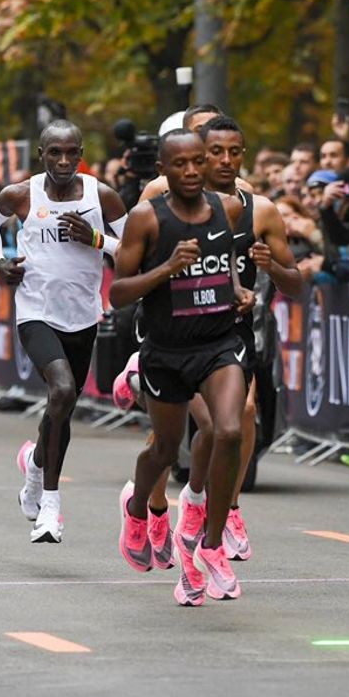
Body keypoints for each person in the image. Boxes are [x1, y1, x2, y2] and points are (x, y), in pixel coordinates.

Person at [113, 129, 253, 605]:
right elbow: (119, 293)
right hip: (166, 351)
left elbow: (225, 266)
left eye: (199, 161)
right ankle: (136, 509)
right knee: (167, 451)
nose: (192, 171)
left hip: (218, 343)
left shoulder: (227, 208)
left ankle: (210, 546)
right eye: (181, 165)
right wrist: (168, 268)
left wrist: (237, 292)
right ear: (163, 171)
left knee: (228, 430)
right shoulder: (145, 220)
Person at [0, 121, 128, 543]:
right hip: (35, 310)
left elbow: (136, 244)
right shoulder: (21, 194)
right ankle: (50, 508)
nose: (63, 161)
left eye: (71, 153)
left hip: (82, 315)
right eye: (54, 153)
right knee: (60, 392)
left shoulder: (102, 195)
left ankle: (34, 468)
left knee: (60, 410)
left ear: (81, 153)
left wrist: (97, 238)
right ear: (41, 155)